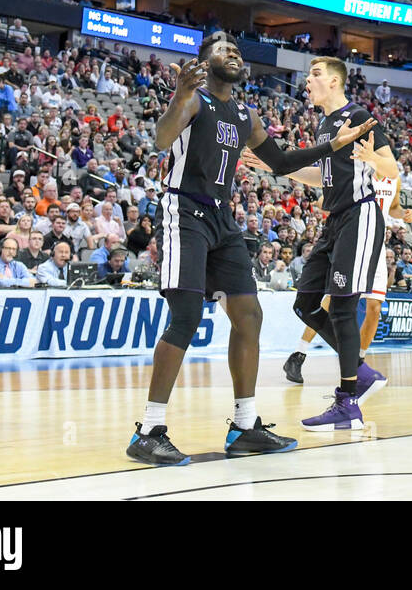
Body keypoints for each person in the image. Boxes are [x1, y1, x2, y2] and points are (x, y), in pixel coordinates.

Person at [127, 34, 374, 466]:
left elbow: (279, 163)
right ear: (205, 63)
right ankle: (149, 430)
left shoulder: (245, 114)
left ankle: (244, 426)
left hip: (223, 220)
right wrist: (179, 95)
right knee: (184, 318)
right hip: (183, 211)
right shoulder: (195, 100)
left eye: (237, 52)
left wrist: (333, 146)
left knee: (249, 316)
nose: (234, 55)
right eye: (225, 51)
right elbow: (161, 140)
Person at [290, 57, 398, 432]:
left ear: (335, 82)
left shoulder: (358, 114)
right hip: (334, 220)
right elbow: (322, 176)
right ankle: (362, 373)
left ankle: (348, 401)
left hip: (360, 215)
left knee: (341, 308)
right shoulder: (323, 126)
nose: (309, 80)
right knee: (304, 303)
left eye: (315, 74)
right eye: (308, 74)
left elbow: (392, 169)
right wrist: (276, 166)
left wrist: (372, 157)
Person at [264, 147, 412, 385]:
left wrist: (405, 213)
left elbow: (393, 206)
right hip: (351, 236)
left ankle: (360, 362)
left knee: (374, 308)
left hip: (375, 242)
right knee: (332, 300)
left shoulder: (393, 179)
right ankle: (299, 353)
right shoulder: (358, 172)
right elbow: (325, 200)